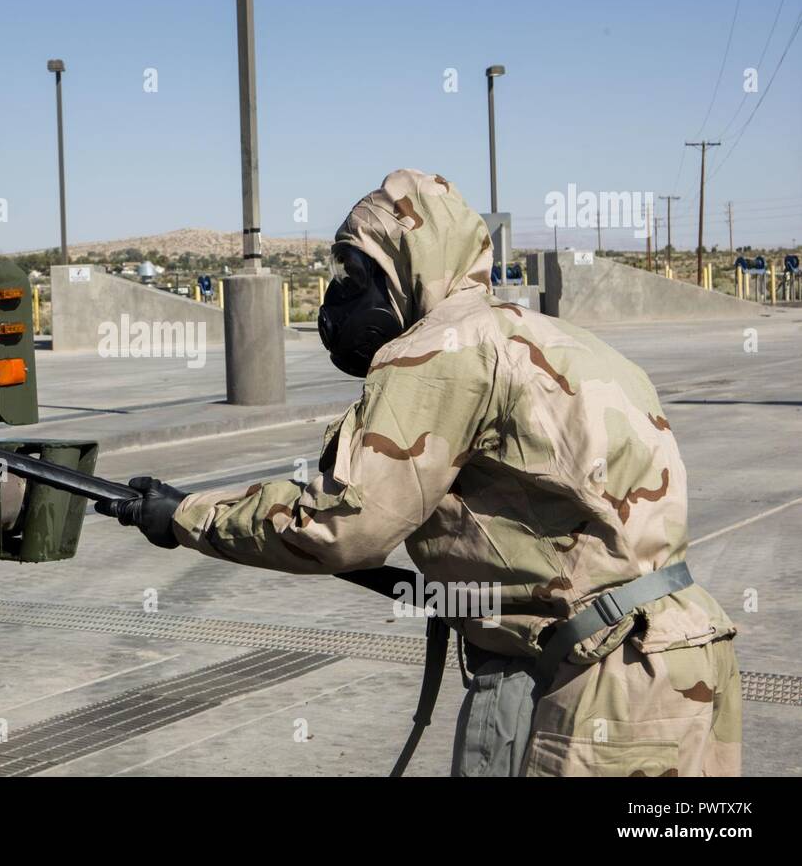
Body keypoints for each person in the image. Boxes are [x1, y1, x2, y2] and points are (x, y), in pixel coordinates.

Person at [97, 168, 740, 776]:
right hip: (683, 651)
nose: (341, 296)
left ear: (408, 269)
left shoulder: (438, 352)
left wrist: (181, 516)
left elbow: (343, 525)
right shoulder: (555, 339)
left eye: (356, 274)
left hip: (597, 682)